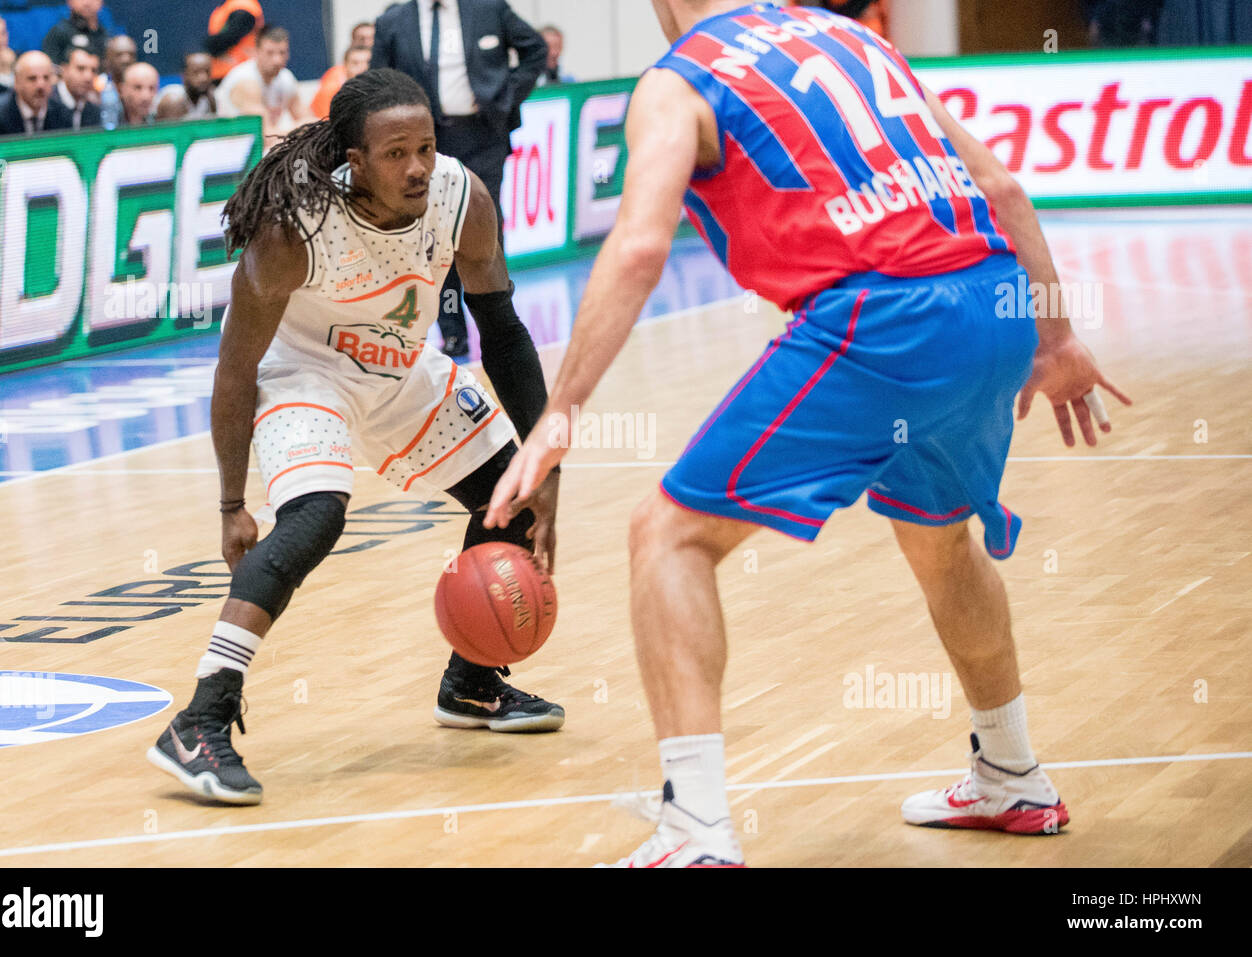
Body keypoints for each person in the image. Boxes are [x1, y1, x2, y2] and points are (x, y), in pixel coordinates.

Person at [486, 0, 1133, 867]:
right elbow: (1002, 187)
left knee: (667, 535)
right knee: (938, 539)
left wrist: (558, 413)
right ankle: (1012, 772)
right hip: (995, 299)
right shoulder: (855, 36)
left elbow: (640, 246)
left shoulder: (680, 78)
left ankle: (696, 828)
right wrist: (1055, 336)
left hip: (882, 317)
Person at [145, 68, 565, 806]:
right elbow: (236, 367)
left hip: (400, 370)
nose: (417, 167)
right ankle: (200, 718)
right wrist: (230, 503)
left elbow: (502, 328)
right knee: (317, 514)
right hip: (300, 374)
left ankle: (470, 682)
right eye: (396, 152)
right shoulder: (291, 227)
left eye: (427, 148)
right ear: (353, 158)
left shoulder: (461, 199)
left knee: (513, 496)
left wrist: (542, 455)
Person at [371, 0, 547, 358]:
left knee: (487, 229)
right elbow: (378, 82)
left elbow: (536, 50)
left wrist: (505, 97)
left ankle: (497, 324)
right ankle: (452, 331)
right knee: (434, 236)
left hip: (483, 137)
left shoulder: (488, 8)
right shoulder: (392, 21)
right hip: (422, 147)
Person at [215, 26, 313, 144]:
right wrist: (300, 128)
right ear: (256, 52)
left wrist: (307, 127)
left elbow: (309, 121)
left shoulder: (286, 78)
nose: (277, 60)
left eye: (282, 53)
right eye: (270, 53)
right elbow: (265, 137)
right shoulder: (246, 81)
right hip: (231, 148)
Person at [0, 51, 68, 138]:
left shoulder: (61, 112)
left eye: (46, 78)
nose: (41, 85)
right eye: (32, 78)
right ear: (16, 82)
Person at [206, 0, 265, 82]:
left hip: (236, 73)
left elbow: (228, 37)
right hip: (228, 72)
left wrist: (207, 46)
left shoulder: (242, 6)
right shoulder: (233, 4)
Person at [311, 45, 373, 120]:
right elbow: (325, 125)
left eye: (368, 63)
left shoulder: (377, 89)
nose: (363, 68)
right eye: (355, 63)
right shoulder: (330, 91)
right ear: (345, 65)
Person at [50, 45, 103, 130]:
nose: (88, 77)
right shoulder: (46, 102)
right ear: (64, 69)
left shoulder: (94, 110)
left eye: (93, 70)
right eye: (81, 68)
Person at [42, 0, 109, 66]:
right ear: (69, 1)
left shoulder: (105, 35)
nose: (87, 3)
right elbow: (51, 69)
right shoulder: (58, 33)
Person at [155, 52, 219, 120]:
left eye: (207, 72)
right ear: (184, 75)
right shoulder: (173, 100)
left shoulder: (209, 97)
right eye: (196, 72)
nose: (204, 78)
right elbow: (171, 130)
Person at [97, 35, 138, 129]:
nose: (126, 60)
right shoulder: (97, 86)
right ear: (107, 59)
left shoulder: (143, 84)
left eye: (131, 54)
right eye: (119, 55)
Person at [118, 62, 159, 126]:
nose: (146, 97)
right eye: (138, 87)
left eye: (152, 88)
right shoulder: (108, 121)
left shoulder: (160, 121)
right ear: (122, 90)